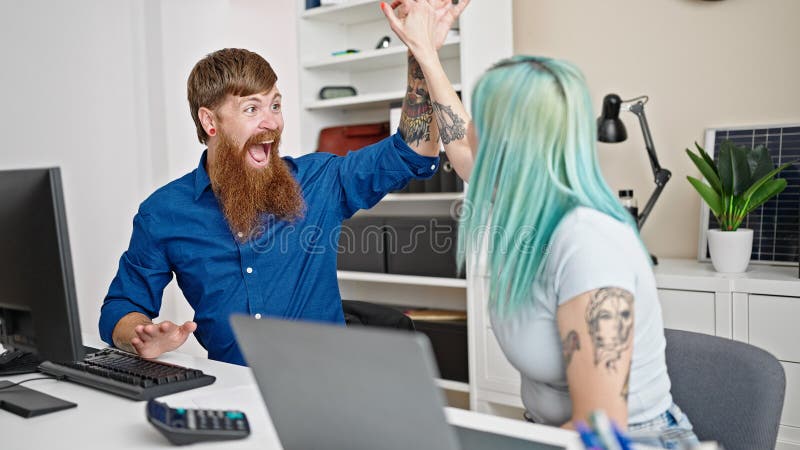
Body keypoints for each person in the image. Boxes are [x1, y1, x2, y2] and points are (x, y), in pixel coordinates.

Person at [382, 1, 700, 448]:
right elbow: (458, 146)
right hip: (552, 434)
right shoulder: (521, 195)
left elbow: (602, 431)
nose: (470, 129)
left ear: (507, 139)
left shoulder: (589, 243)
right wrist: (426, 52)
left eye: (482, 118)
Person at [98, 1, 470, 366]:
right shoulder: (163, 213)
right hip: (234, 393)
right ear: (210, 122)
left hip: (326, 388)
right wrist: (139, 335)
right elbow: (121, 306)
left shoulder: (319, 180)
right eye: (252, 109)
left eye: (275, 105)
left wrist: (419, 52)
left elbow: (412, 152)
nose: (272, 123)